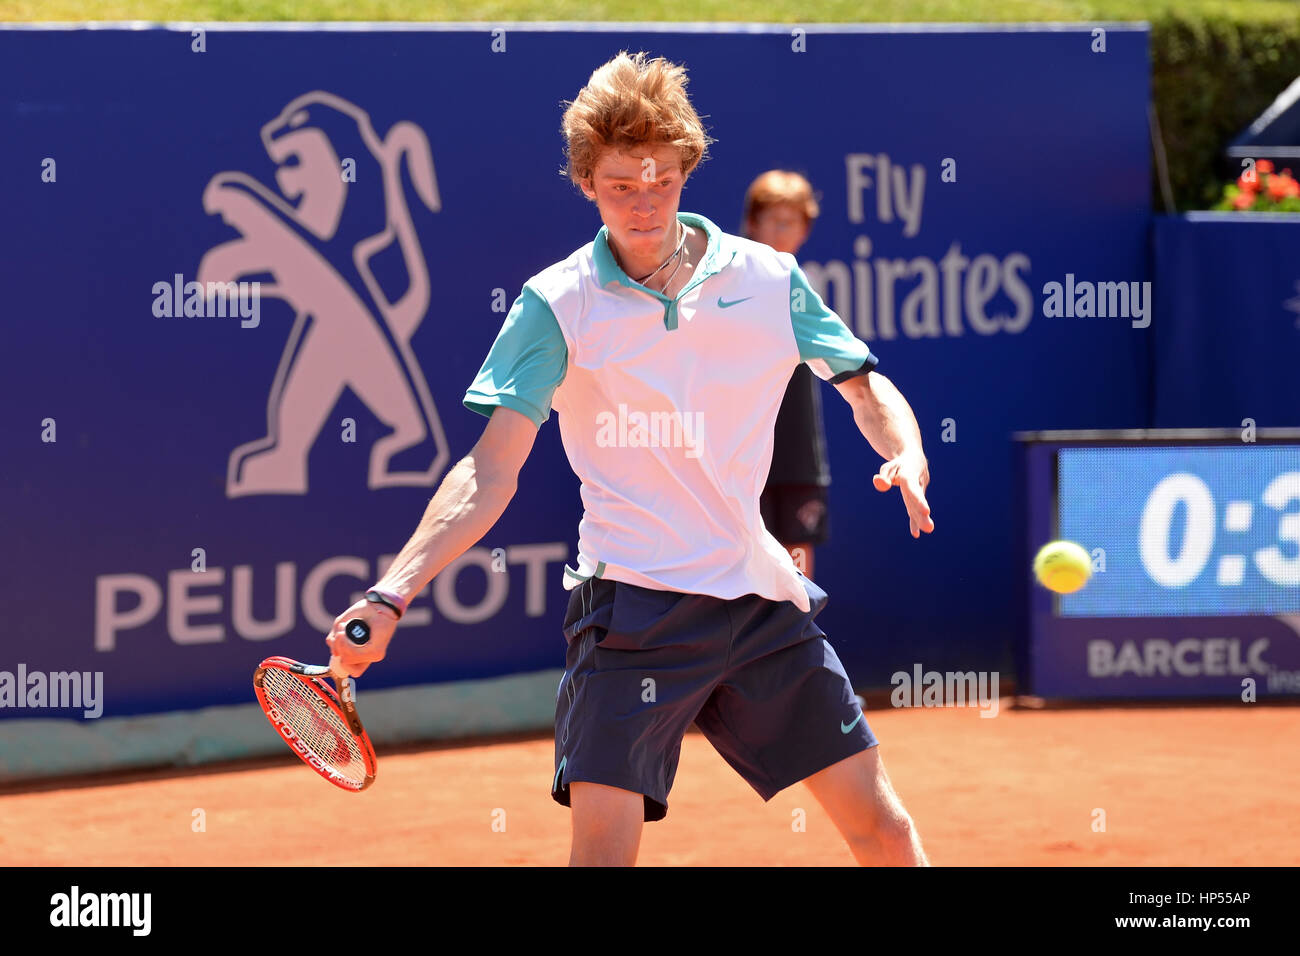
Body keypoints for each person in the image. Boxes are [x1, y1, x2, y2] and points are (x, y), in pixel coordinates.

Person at [326, 51, 935, 867]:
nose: (645, 204)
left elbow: (865, 387)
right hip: (632, 614)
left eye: (663, 181)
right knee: (603, 858)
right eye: (621, 186)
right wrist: (394, 591)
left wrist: (906, 449)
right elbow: (489, 468)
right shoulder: (557, 303)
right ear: (585, 181)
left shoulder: (768, 279)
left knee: (884, 830)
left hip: (758, 603)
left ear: (687, 169)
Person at [744, 170, 830, 579]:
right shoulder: (731, 282)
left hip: (798, 458)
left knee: (798, 571)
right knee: (746, 566)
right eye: (774, 220)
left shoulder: (805, 287)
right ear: (753, 223)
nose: (782, 230)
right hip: (742, 454)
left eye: (792, 221)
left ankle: (797, 641)